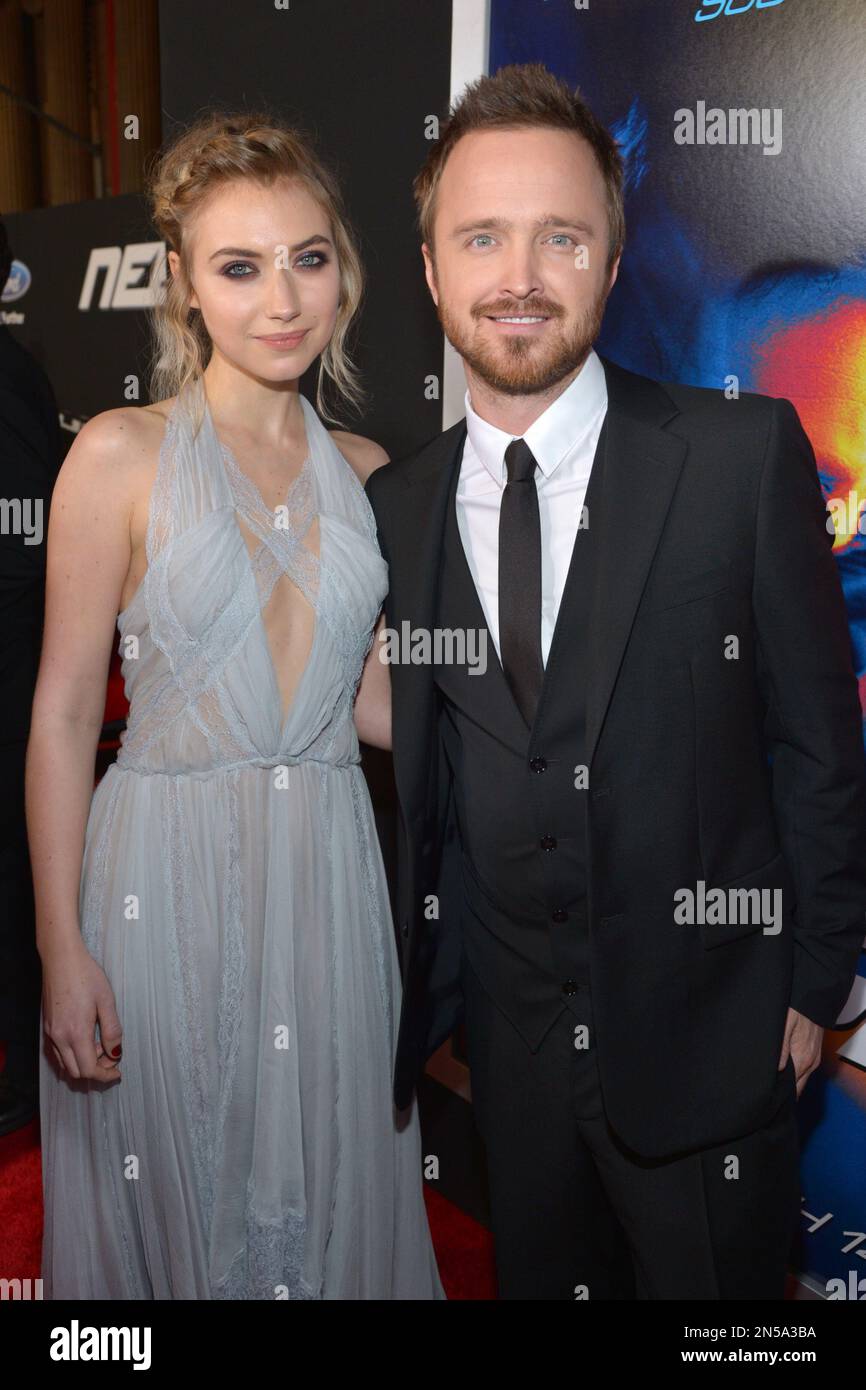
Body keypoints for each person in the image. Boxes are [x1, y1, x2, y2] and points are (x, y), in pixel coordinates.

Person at [364, 63, 866, 1300]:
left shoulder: (738, 455)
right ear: (429, 268)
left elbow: (820, 744)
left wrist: (816, 984)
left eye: (560, 236)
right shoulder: (397, 505)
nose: (519, 275)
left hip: (716, 1044)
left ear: (612, 256)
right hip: (507, 1061)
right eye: (481, 237)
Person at [29, 111, 445, 1300]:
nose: (282, 299)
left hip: (326, 878)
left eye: (307, 259)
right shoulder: (117, 453)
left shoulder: (369, 472)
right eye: (239, 266)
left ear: (343, 271)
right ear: (182, 284)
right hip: (157, 875)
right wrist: (60, 945)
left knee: (324, 1187)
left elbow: (371, 701)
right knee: (178, 1183)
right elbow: (64, 714)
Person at [0, 217, 62, 1136]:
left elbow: (27, 530)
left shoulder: (10, 375)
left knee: (14, 878)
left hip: (14, 674)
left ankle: (21, 1082)